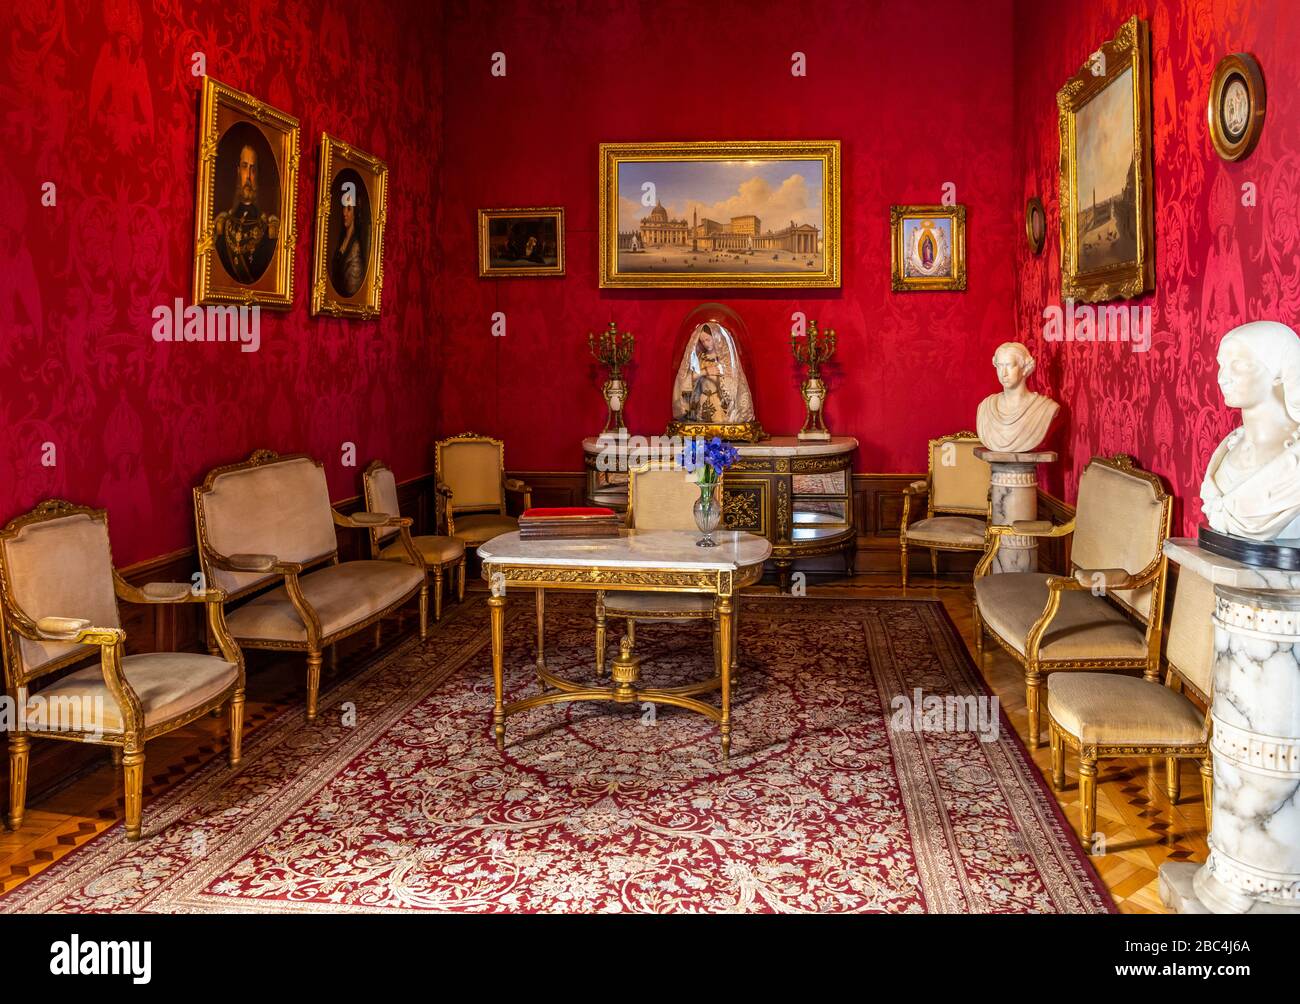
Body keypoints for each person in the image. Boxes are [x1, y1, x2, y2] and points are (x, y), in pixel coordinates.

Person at [1200, 321, 1300, 540]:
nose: (1222, 377)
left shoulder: (1295, 462)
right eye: (1222, 365)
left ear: (1279, 373)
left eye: (1239, 365)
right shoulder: (1229, 447)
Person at [975, 342, 1060, 453]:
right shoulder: (986, 407)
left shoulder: (1044, 408)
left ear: (1024, 368)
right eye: (999, 366)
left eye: (1009, 365)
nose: (1003, 373)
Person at [214, 142, 279, 284]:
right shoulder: (223, 224)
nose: (248, 176)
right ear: (238, 171)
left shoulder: (268, 228)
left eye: (253, 169)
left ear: (257, 175)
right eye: (244, 167)